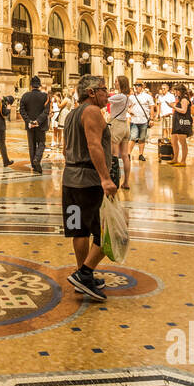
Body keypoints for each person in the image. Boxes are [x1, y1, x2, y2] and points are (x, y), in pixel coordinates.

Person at [61, 75, 117, 302]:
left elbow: (66, 149)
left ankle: (82, 276)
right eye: (104, 90)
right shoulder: (92, 111)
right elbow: (94, 145)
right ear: (92, 92)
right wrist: (105, 178)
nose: (107, 94)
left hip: (70, 180)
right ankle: (85, 272)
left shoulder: (72, 113)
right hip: (89, 182)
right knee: (108, 230)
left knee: (79, 230)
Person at [18, 76, 50, 174]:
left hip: (30, 126)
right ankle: (37, 159)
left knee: (31, 145)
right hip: (40, 125)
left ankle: (33, 164)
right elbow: (46, 111)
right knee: (41, 143)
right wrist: (38, 121)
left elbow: (22, 110)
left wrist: (29, 121)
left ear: (31, 85)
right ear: (39, 85)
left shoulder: (25, 96)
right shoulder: (45, 96)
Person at [106, 75, 132, 187]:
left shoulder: (119, 96)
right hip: (125, 126)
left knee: (114, 154)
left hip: (116, 125)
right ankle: (126, 182)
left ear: (121, 83)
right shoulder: (127, 97)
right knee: (125, 155)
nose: (115, 83)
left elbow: (105, 100)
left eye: (116, 81)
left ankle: (114, 180)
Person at [169, 83, 193, 167]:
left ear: (180, 91)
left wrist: (173, 107)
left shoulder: (184, 99)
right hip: (177, 122)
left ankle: (183, 161)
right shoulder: (180, 99)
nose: (175, 92)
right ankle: (175, 158)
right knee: (174, 140)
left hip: (183, 122)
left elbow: (184, 111)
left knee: (182, 142)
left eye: (177, 90)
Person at [128, 82, 153, 162]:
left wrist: (151, 119)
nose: (137, 87)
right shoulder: (131, 97)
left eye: (138, 86)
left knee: (142, 138)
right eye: (135, 86)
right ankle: (128, 154)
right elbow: (126, 106)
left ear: (142, 87)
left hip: (144, 120)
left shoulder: (148, 96)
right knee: (133, 137)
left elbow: (151, 107)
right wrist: (129, 111)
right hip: (134, 120)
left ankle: (141, 154)